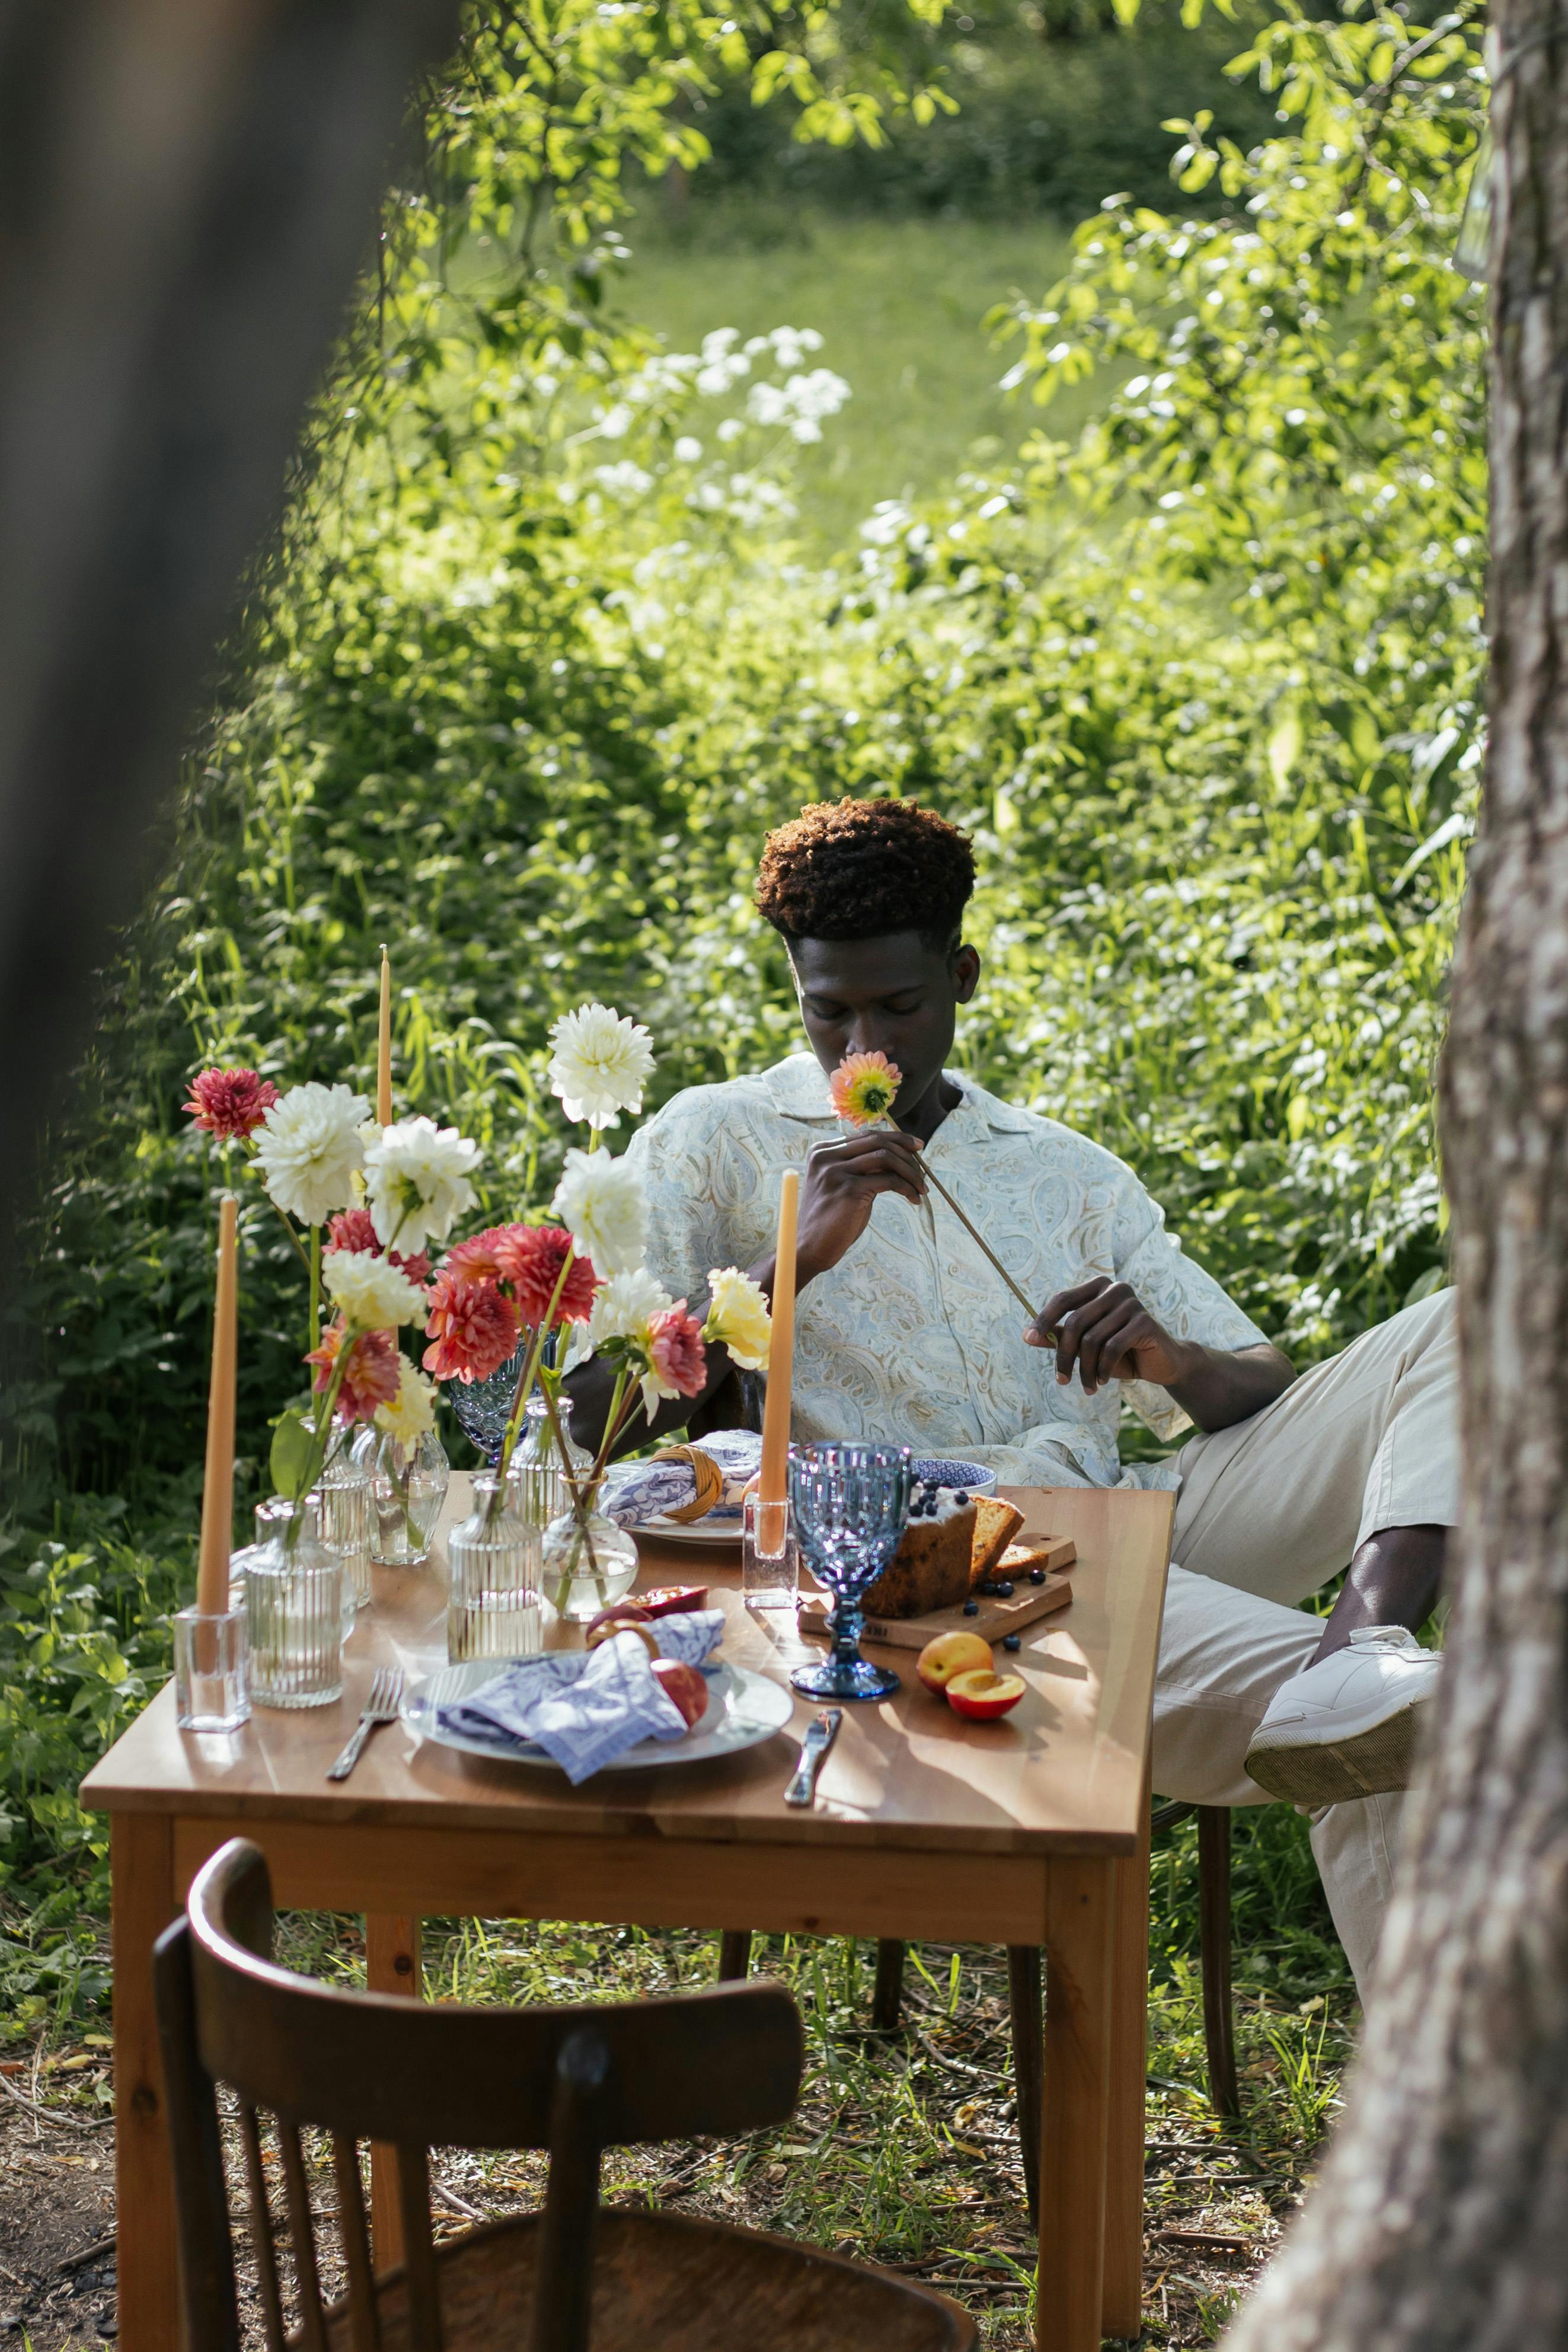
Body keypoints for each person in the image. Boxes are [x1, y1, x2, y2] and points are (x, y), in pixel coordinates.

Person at [566, 797, 1452, 1994]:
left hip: (1143, 1502)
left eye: (901, 1004)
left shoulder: (1063, 1167)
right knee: (1412, 1736)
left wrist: (1170, 1360)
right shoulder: (711, 1142)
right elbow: (604, 1427)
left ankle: (1369, 1641)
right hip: (944, 1565)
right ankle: (1457, 2142)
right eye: (831, 1010)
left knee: (1468, 1322)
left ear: (963, 975)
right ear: (795, 987)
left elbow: (1261, 1387)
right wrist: (793, 1266)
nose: (863, 1047)